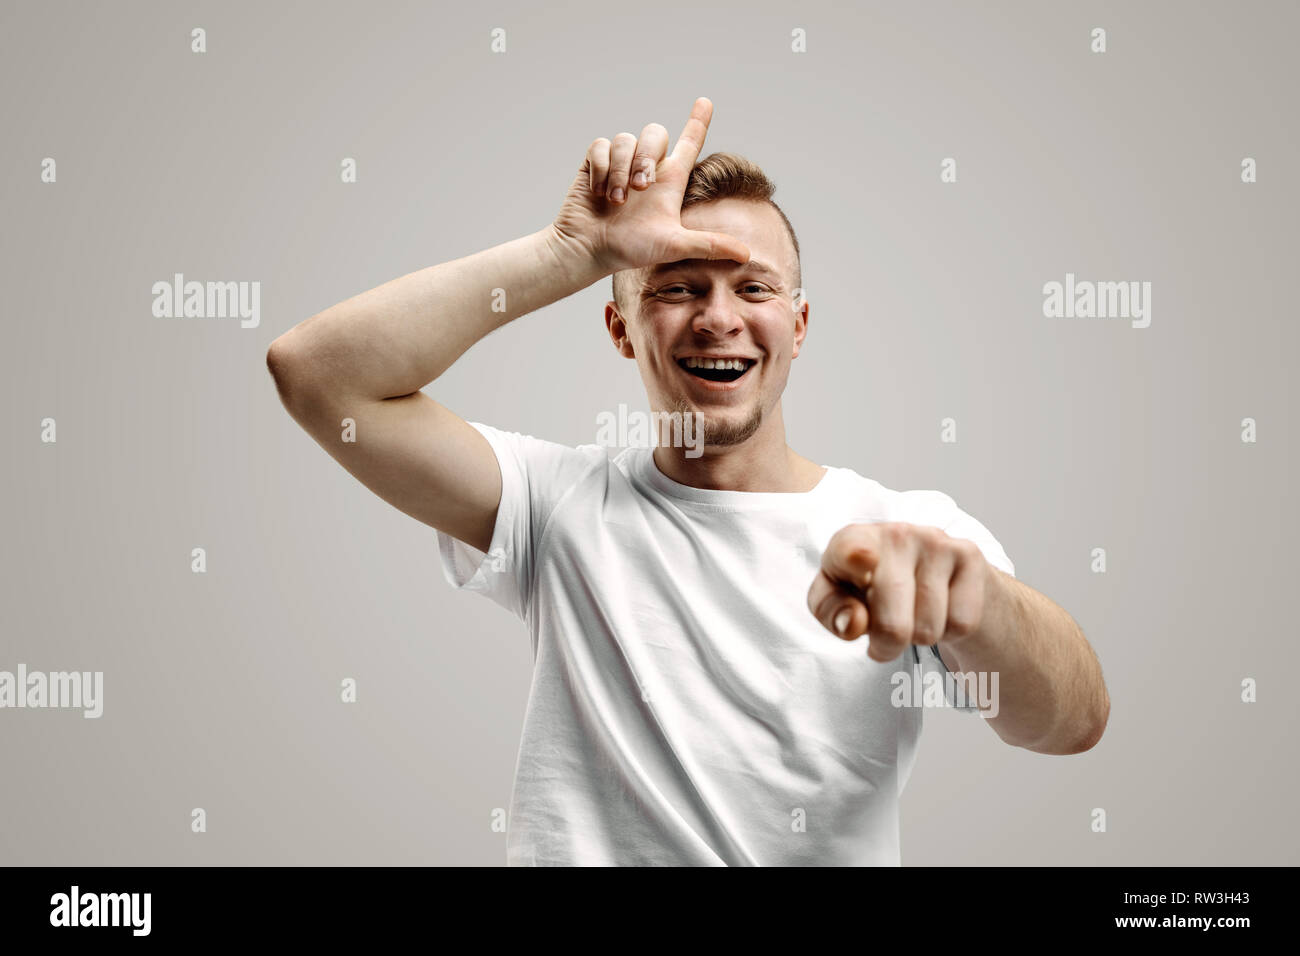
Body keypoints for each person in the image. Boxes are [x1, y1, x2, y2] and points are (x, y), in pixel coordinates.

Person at [266, 97, 1110, 866]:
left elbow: (1072, 722)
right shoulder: (551, 503)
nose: (719, 317)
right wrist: (569, 252)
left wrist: (980, 604)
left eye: (754, 287)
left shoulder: (904, 530)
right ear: (621, 327)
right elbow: (316, 375)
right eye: (677, 287)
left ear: (799, 323)